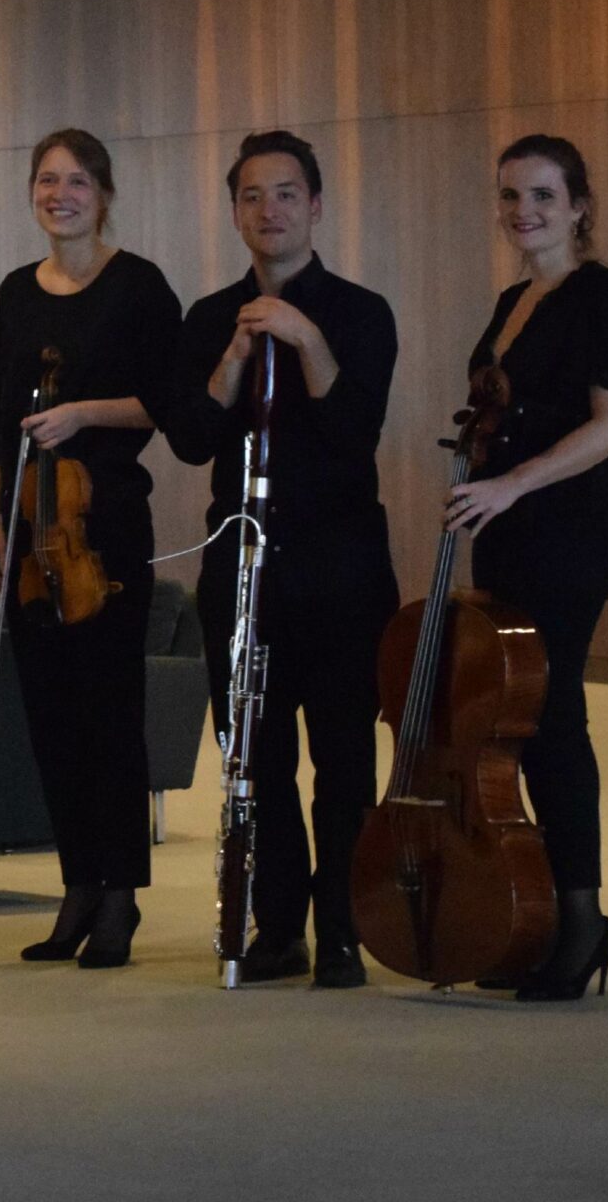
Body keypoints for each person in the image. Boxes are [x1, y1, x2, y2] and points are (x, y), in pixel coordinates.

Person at [162, 130, 399, 990]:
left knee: (342, 756)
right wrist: (233, 355)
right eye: (252, 196)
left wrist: (305, 338)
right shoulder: (207, 318)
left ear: (317, 206)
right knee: (255, 759)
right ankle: (278, 927)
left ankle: (342, 931)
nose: (270, 210)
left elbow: (353, 431)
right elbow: (192, 438)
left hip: (340, 566)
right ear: (235, 212)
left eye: (287, 193)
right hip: (243, 563)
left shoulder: (361, 313)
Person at [445, 134, 608, 1002]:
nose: (523, 212)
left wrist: (510, 484)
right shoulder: (513, 302)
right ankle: (538, 913)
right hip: (508, 527)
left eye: (542, 195)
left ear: (578, 206)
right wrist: (482, 482)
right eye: (510, 196)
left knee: (552, 716)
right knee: (518, 718)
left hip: (574, 528)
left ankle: (581, 923)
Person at [0, 130, 182, 969]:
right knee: (52, 717)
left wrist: (84, 413)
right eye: (47, 181)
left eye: (78, 182)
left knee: (109, 714)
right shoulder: (15, 291)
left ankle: (121, 891)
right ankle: (78, 886)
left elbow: (172, 404)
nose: (60, 195)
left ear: (104, 194)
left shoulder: (139, 286)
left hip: (108, 525)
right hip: (32, 526)